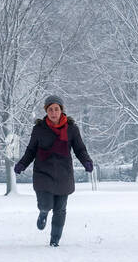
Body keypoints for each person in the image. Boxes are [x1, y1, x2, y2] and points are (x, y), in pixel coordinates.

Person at [13, 95, 93, 247]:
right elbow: (31, 150)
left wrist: (87, 161)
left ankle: (54, 240)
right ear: (46, 111)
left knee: (60, 209)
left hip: (64, 174)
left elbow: (80, 149)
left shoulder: (72, 129)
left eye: (56, 109)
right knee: (46, 205)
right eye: (50, 109)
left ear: (62, 110)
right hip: (43, 173)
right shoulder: (39, 129)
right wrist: (22, 164)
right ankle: (43, 213)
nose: (53, 112)